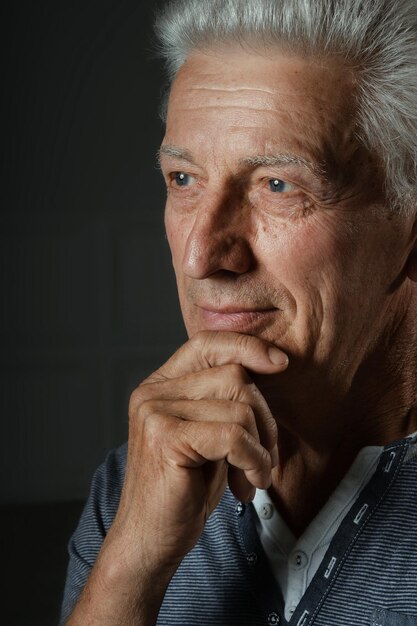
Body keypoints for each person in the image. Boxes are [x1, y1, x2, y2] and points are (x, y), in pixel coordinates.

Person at [60, 0, 417, 624]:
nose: (202, 255)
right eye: (183, 180)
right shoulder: (133, 487)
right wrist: (131, 563)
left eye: (278, 186)